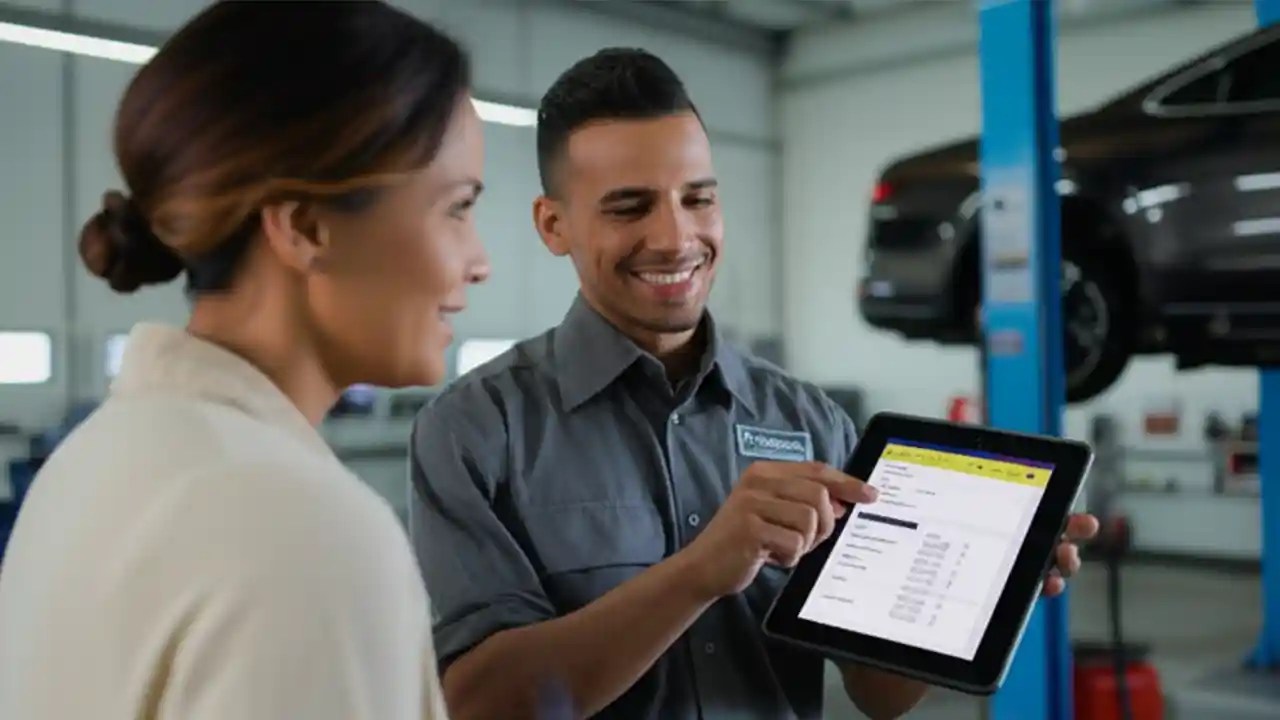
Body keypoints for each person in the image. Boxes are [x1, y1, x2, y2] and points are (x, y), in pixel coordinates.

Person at [408, 47, 1099, 720]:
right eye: (629, 207)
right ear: (553, 224)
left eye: (698, 199)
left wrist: (981, 586)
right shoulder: (476, 430)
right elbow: (478, 702)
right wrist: (699, 572)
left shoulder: (809, 422)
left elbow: (878, 694)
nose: (676, 237)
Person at [0, 3, 489, 719]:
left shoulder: (93, 460)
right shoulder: (305, 533)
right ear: (307, 227)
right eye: (457, 208)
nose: (479, 261)